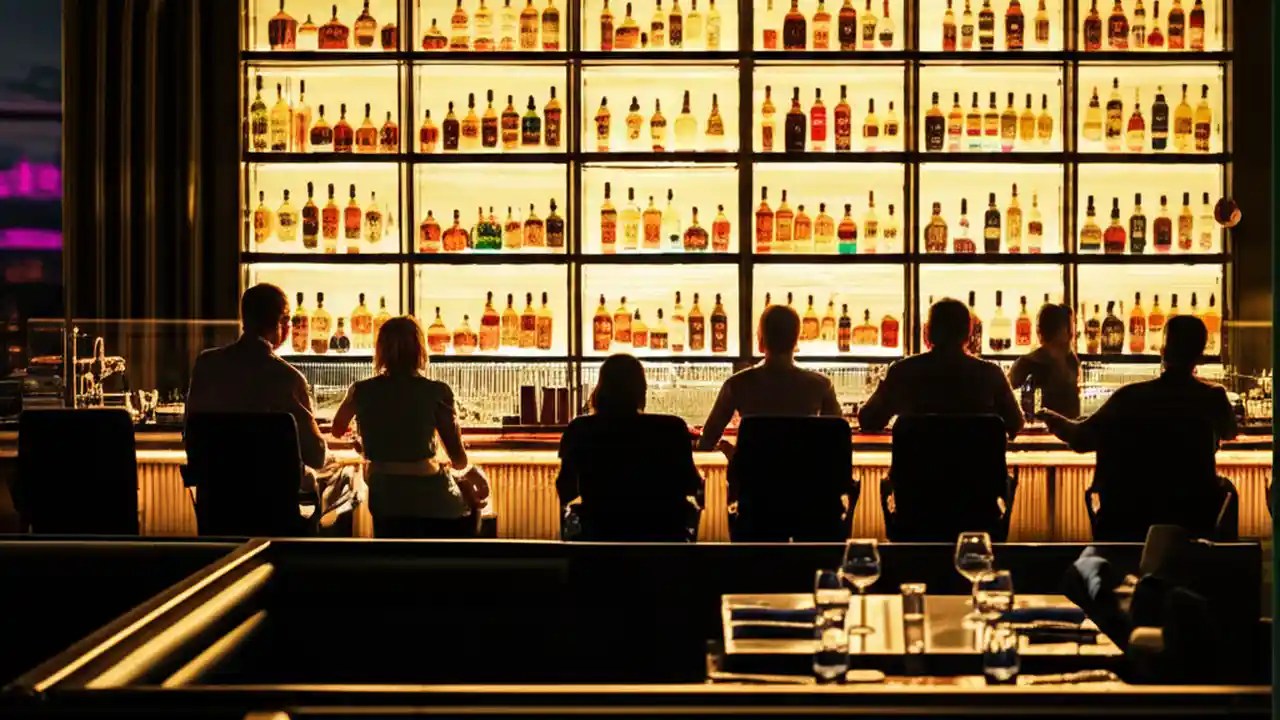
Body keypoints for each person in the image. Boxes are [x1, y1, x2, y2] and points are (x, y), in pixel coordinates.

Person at [330, 316, 489, 538]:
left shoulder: (360, 391)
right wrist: (473, 472)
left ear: (380, 351)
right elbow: (458, 459)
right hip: (432, 500)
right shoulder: (437, 392)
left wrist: (361, 443)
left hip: (384, 499)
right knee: (474, 505)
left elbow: (337, 430)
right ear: (420, 350)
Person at [1039, 315, 1237, 477]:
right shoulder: (1213, 397)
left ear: (1163, 352)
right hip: (1194, 508)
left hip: (1133, 509)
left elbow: (1081, 438)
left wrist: (1049, 417)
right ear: (1201, 356)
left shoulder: (1129, 397)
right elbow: (1230, 433)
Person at [556, 354, 703, 541]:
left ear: (600, 388)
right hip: (663, 534)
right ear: (642, 390)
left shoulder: (580, 429)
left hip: (600, 532)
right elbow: (691, 485)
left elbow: (566, 489)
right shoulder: (672, 428)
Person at [186, 283, 328, 472]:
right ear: (282, 322)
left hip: (216, 488)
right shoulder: (288, 378)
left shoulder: (206, 364)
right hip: (273, 490)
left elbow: (192, 438)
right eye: (287, 320)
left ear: (244, 320)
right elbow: (316, 456)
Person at [858, 298, 1025, 437]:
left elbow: (868, 420)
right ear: (969, 333)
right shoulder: (991, 374)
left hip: (917, 467)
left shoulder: (903, 372)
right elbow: (1015, 423)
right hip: (978, 468)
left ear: (928, 332)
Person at [696, 305, 842, 457]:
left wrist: (732, 452)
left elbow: (707, 441)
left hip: (752, 472)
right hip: (805, 472)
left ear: (761, 342)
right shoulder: (821, 385)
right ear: (796, 341)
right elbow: (838, 439)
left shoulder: (736, 384)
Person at [1009, 302, 1081, 418]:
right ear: (1062, 331)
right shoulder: (1070, 363)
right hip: (1059, 428)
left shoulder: (1023, 364)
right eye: (1070, 330)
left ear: (1039, 331)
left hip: (1036, 428)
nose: (1072, 336)